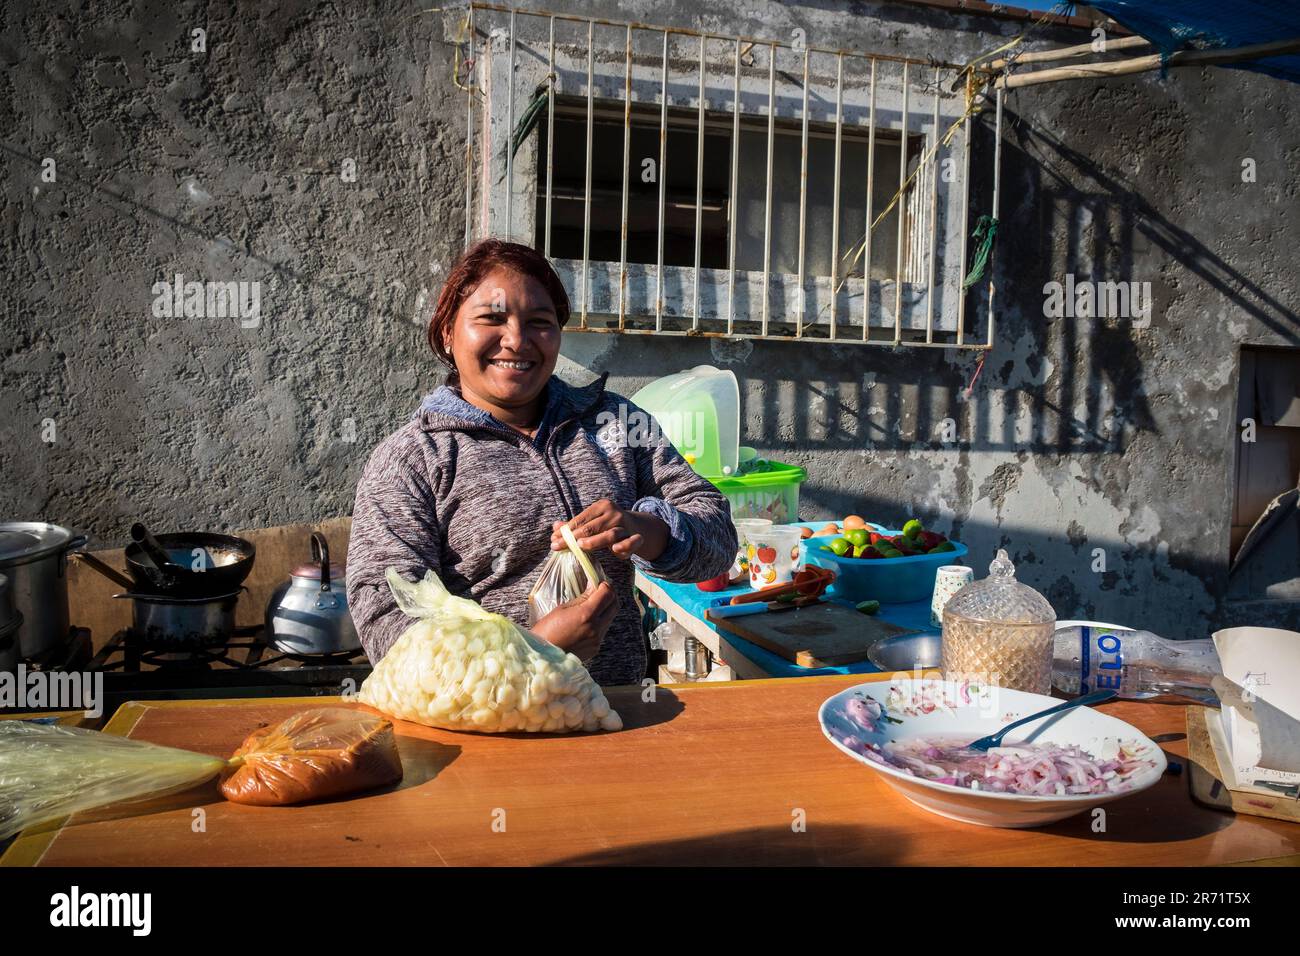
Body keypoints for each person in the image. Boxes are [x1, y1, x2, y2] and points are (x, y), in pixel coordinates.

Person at [346, 239, 737, 685]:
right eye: (492, 318)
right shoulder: (414, 458)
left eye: (539, 322)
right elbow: (384, 617)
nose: (516, 340)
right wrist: (531, 652)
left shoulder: (615, 423)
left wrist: (651, 532)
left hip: (621, 717)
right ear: (447, 334)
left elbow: (720, 540)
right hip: (495, 733)